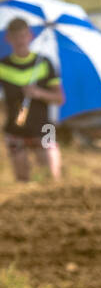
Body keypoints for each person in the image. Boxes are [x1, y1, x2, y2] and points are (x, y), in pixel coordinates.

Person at [1, 18, 63, 183]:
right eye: (16, 37)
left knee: (52, 175)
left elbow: (59, 98)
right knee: (22, 179)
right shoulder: (2, 66)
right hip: (15, 128)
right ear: (9, 38)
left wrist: (39, 93)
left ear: (30, 36)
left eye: (23, 35)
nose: (20, 41)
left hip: (45, 127)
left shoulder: (44, 63)